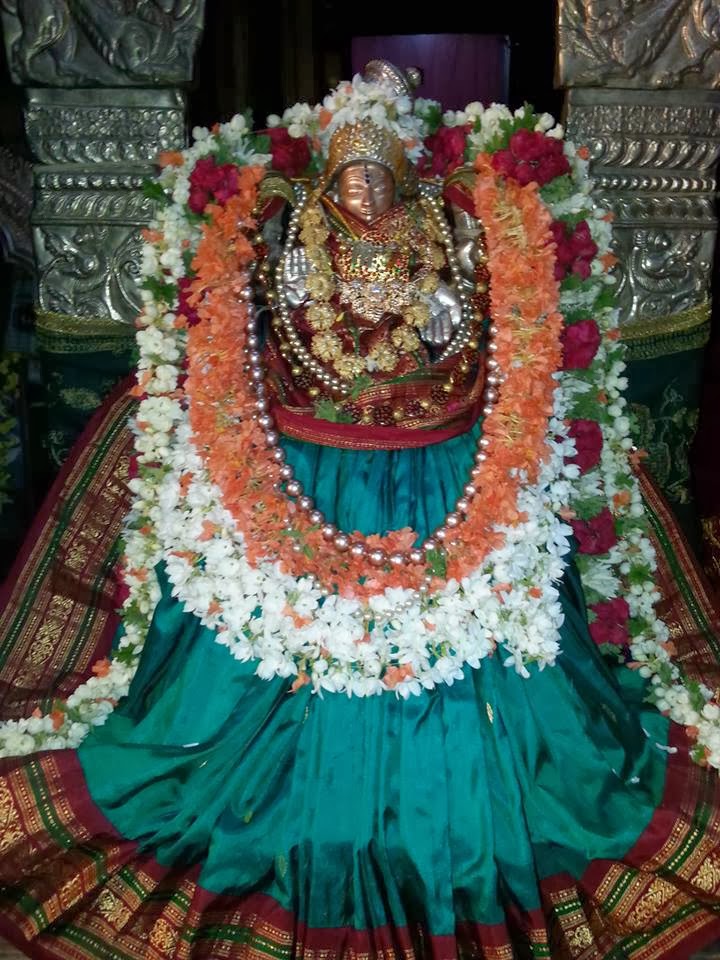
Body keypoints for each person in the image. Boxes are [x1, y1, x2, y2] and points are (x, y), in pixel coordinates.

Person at [1, 58, 720, 960]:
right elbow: (290, 332)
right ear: (330, 182)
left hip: (442, 449)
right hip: (313, 450)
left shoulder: (436, 233)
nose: (366, 191)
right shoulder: (299, 242)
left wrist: (438, 309)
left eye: (379, 176)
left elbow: (460, 333)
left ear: (404, 178)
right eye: (351, 177)